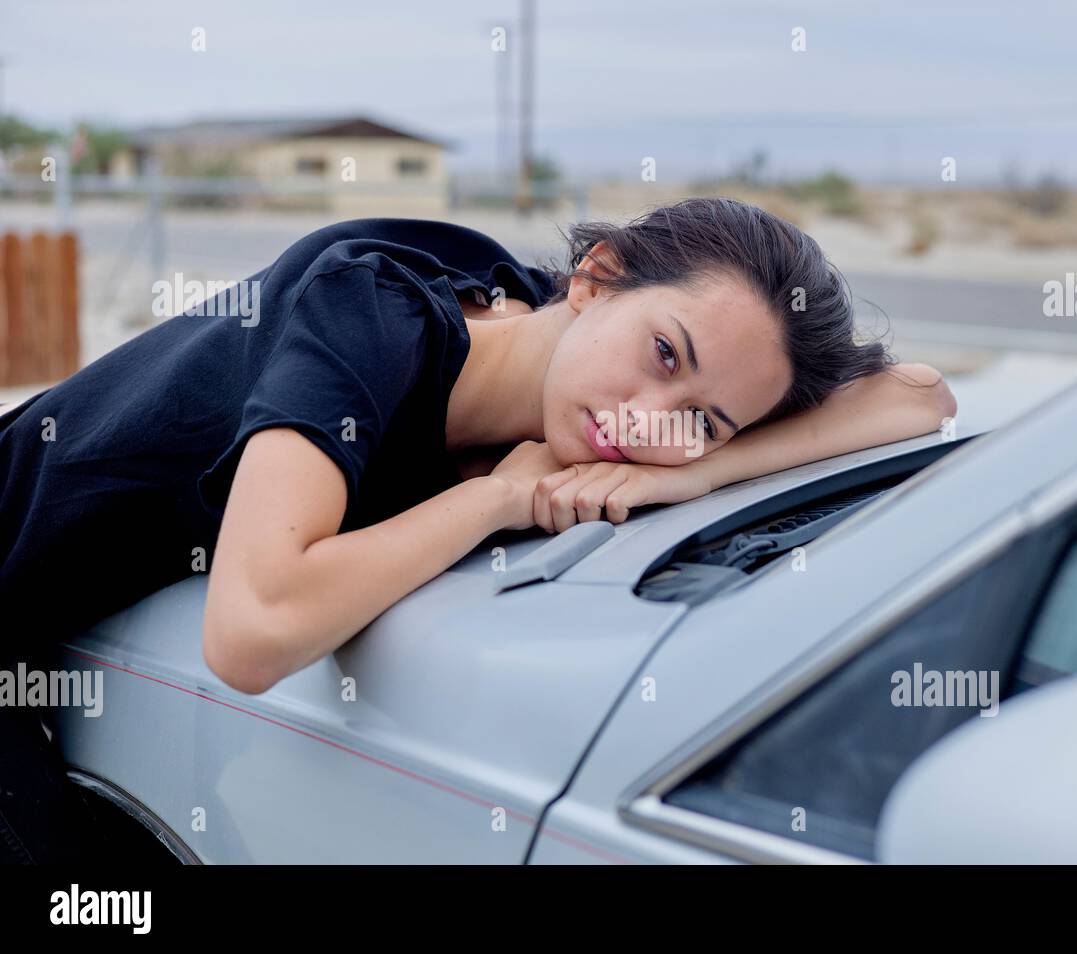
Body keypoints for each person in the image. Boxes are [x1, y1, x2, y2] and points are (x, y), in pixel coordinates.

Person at [0, 196, 954, 861]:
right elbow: (252, 632)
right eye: (665, 354)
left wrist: (690, 470)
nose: (648, 418)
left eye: (702, 415)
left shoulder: (566, 351)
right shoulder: (367, 313)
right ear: (595, 278)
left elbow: (917, 396)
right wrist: (500, 500)